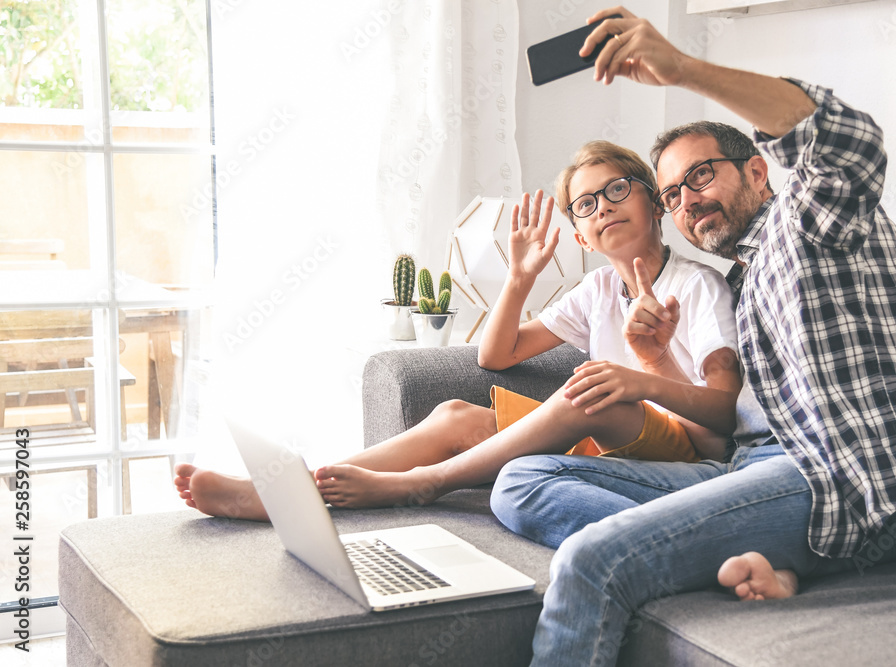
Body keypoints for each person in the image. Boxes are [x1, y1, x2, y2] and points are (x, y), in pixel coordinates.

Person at [488, 7, 896, 665]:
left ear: (759, 173)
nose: (687, 201)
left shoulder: (816, 228)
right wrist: (654, 357)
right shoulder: (742, 277)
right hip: (751, 469)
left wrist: (683, 68)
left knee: (591, 557)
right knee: (520, 479)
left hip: (843, 481)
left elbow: (846, 139)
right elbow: (718, 427)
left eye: (701, 175)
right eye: (673, 193)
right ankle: (718, 555)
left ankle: (681, 553)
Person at [173, 140, 742, 518]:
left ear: (654, 203)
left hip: (686, 456)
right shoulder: (595, 291)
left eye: (619, 190)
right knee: (452, 415)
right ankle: (280, 494)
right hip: (614, 442)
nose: (604, 208)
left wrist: (643, 372)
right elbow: (496, 357)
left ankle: (428, 481)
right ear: (581, 238)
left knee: (590, 388)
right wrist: (519, 278)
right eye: (586, 205)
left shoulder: (697, 286)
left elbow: (720, 423)